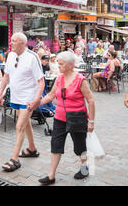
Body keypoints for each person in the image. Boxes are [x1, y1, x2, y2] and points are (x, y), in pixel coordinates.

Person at [36, 51, 95, 185]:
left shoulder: (80, 80)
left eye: (61, 64)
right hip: (59, 118)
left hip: (77, 118)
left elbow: (91, 100)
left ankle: (85, 166)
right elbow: (51, 96)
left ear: (71, 65)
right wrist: (37, 103)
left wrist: (91, 121)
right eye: (58, 63)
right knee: (56, 145)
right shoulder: (59, 78)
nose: (59, 66)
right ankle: (51, 176)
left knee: (80, 147)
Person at [0, 33, 45, 173]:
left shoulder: (32, 57)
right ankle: (32, 148)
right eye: (11, 40)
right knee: (25, 122)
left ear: (23, 43)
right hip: (16, 97)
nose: (11, 43)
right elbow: (6, 76)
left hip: (28, 97)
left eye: (14, 41)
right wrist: (0, 93)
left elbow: (41, 81)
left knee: (19, 126)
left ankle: (14, 159)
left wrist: (37, 99)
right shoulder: (11, 55)